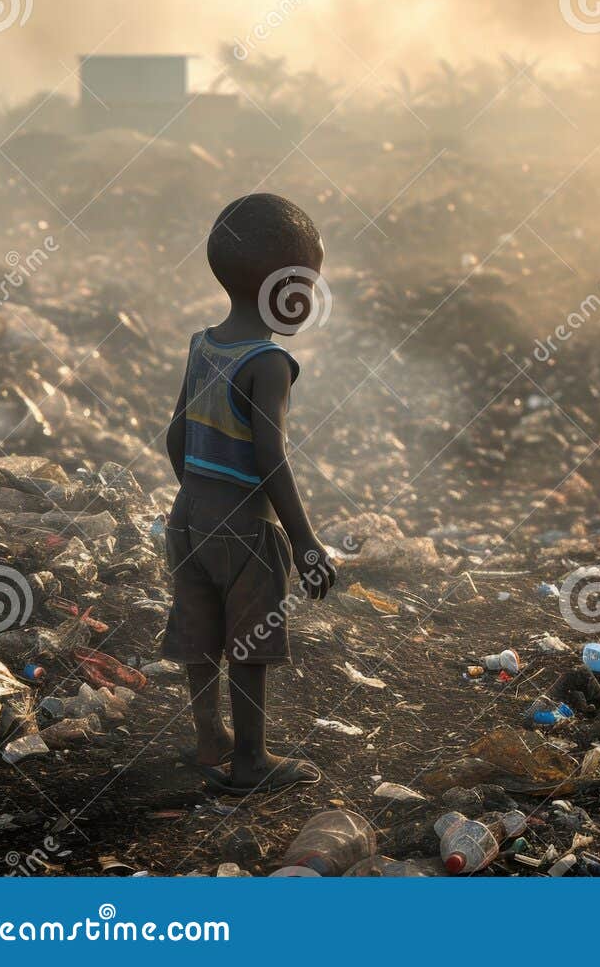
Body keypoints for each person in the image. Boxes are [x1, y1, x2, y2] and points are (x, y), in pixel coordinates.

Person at [162, 193, 336, 794]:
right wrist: (305, 541)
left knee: (199, 627)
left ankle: (210, 737)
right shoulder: (269, 362)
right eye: (308, 283)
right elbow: (270, 458)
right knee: (250, 641)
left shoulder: (202, 344)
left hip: (188, 519)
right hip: (243, 527)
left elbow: (175, 434)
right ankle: (251, 761)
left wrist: (198, 500)